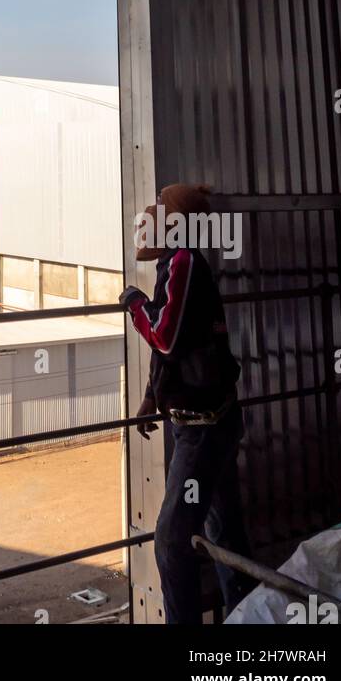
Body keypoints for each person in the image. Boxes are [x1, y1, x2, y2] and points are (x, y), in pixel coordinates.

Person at [119, 182, 253, 624]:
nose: (149, 212)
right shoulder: (178, 264)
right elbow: (176, 343)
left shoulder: (181, 262)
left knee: (172, 541)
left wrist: (134, 303)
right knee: (225, 533)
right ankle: (247, 615)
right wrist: (149, 397)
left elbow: (163, 336)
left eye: (159, 207)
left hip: (202, 427)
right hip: (209, 420)